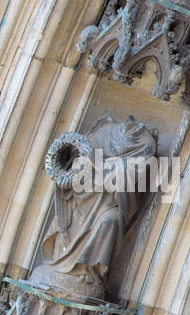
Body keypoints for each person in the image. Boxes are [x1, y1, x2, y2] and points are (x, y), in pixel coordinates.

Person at [29, 117, 156, 301]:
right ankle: (62, 260)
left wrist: (97, 165)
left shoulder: (145, 146)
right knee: (67, 218)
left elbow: (126, 178)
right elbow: (76, 156)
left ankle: (88, 273)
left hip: (108, 204)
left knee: (110, 221)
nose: (135, 127)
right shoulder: (105, 130)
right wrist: (81, 164)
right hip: (82, 199)